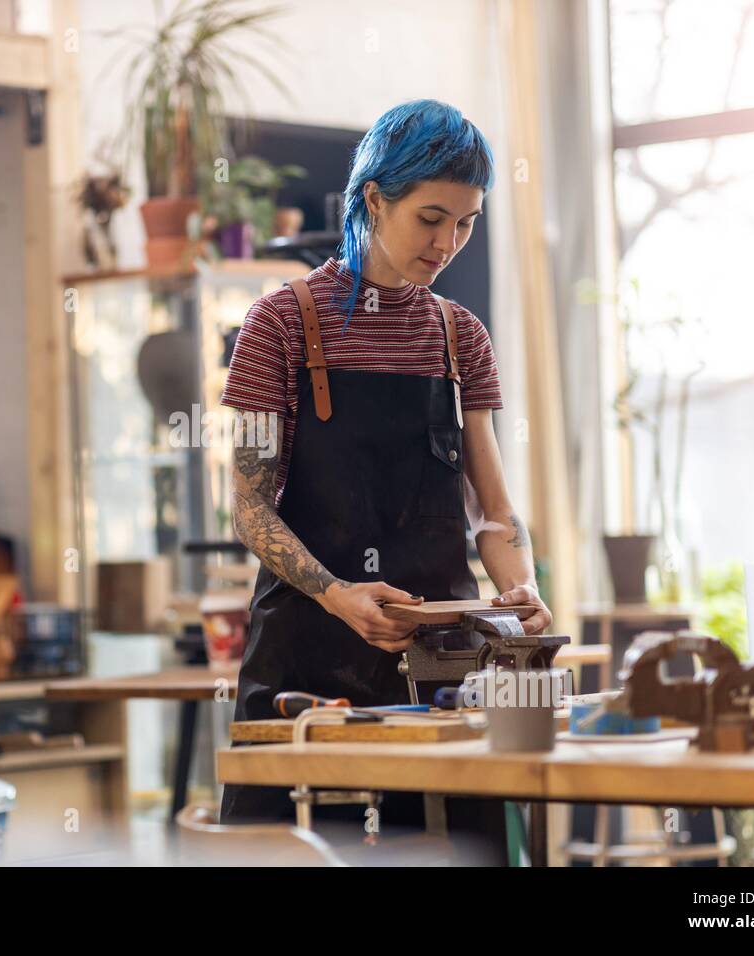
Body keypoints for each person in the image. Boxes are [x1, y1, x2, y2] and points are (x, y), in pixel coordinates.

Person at [218, 99, 552, 854]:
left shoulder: (459, 335)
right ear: (374, 197)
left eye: (466, 223)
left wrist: (521, 586)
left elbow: (493, 512)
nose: (448, 243)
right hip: (308, 669)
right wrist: (338, 596)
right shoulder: (276, 325)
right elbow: (247, 508)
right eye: (431, 218)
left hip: (439, 680)